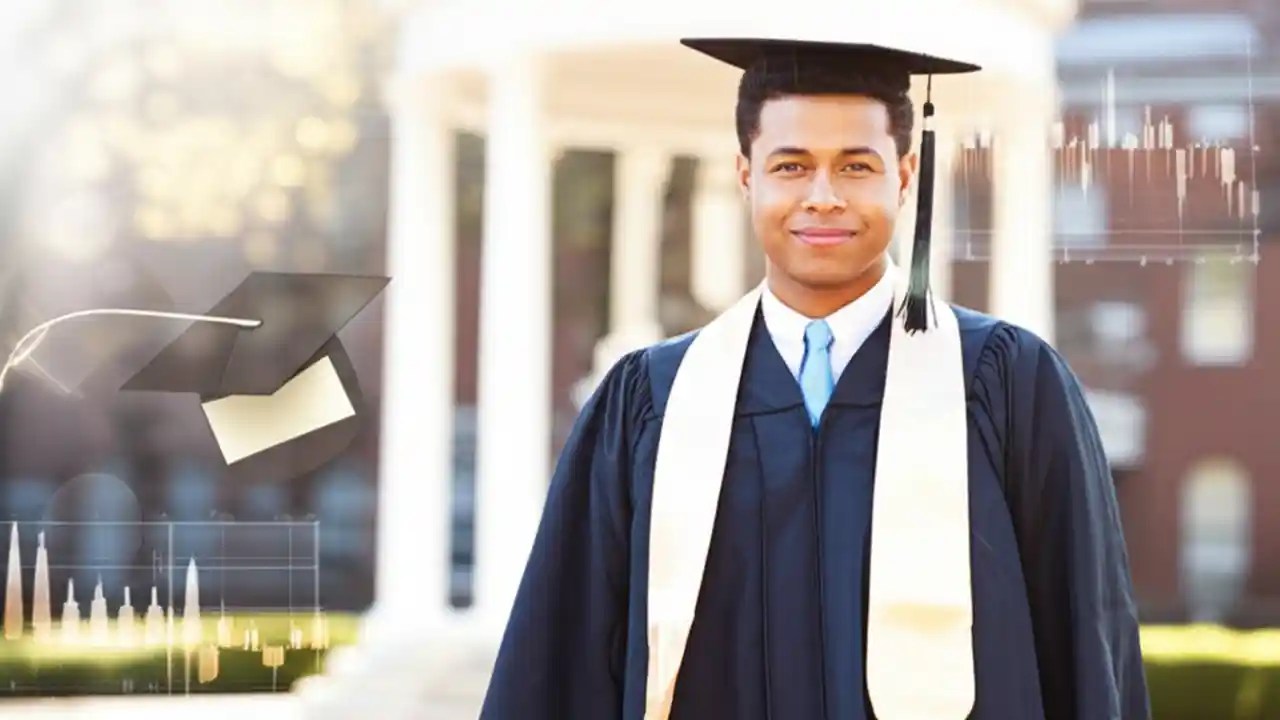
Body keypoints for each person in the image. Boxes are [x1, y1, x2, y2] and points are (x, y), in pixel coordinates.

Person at [479, 36, 1150, 720]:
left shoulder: (1008, 385)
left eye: (856, 166)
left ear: (906, 173)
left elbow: (1087, 648)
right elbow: (559, 663)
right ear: (747, 175)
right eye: (791, 165)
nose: (823, 197)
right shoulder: (652, 400)